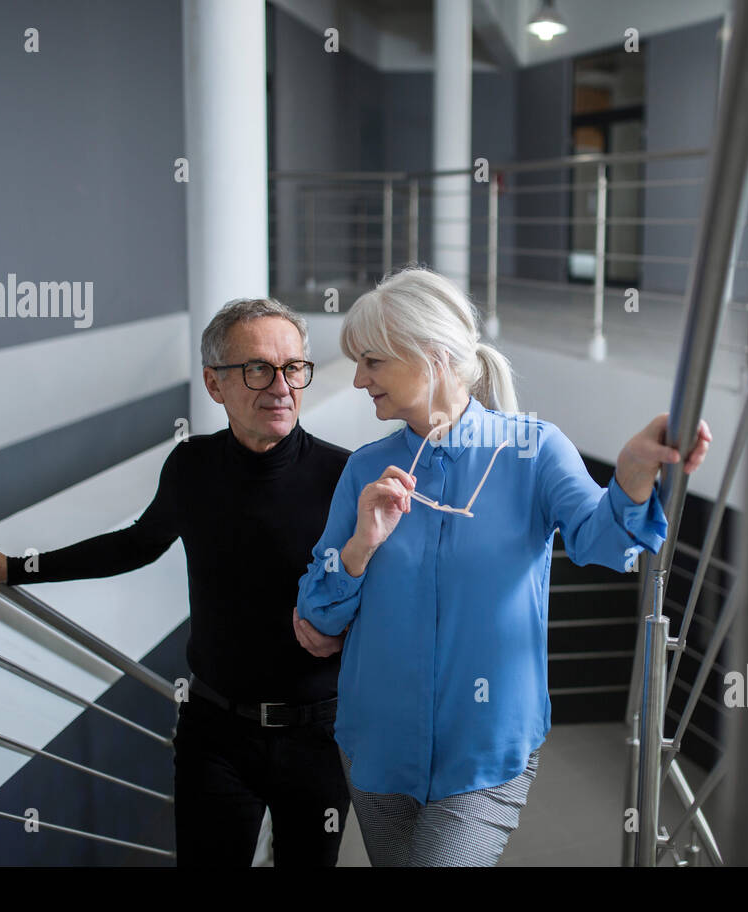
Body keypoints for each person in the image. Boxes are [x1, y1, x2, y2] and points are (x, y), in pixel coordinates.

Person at [296, 267, 712, 866]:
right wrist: (361, 544)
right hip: (376, 748)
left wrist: (633, 471)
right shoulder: (366, 470)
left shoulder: (534, 450)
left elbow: (607, 541)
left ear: (431, 355)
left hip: (484, 755)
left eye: (372, 362)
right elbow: (318, 614)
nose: (358, 379)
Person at [0, 298, 353, 867]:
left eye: (293, 367)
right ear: (215, 384)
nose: (281, 386)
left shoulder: (344, 475)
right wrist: (15, 568)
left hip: (320, 736)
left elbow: (382, 595)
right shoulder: (192, 466)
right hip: (217, 734)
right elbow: (135, 545)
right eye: (258, 368)